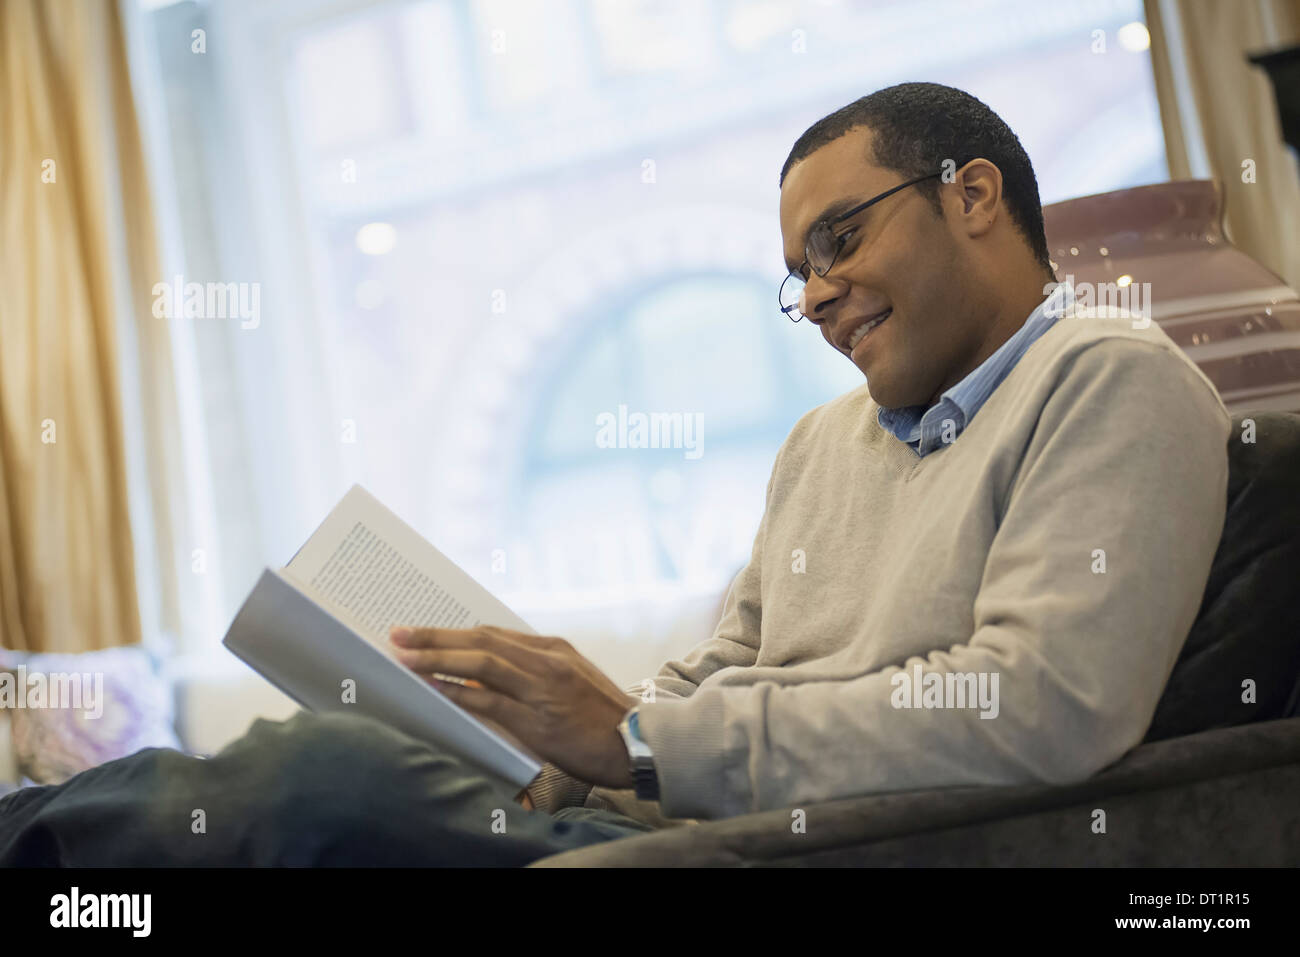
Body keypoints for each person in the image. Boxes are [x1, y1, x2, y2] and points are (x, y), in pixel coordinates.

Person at [0, 81, 1229, 865]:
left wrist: (639, 741)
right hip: (677, 822)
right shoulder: (823, 448)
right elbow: (714, 675)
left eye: (838, 241)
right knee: (319, 745)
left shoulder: (1110, 383)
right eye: (797, 272)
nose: (812, 297)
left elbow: (1037, 708)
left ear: (973, 196)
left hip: (820, 845)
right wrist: (541, 742)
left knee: (314, 779)